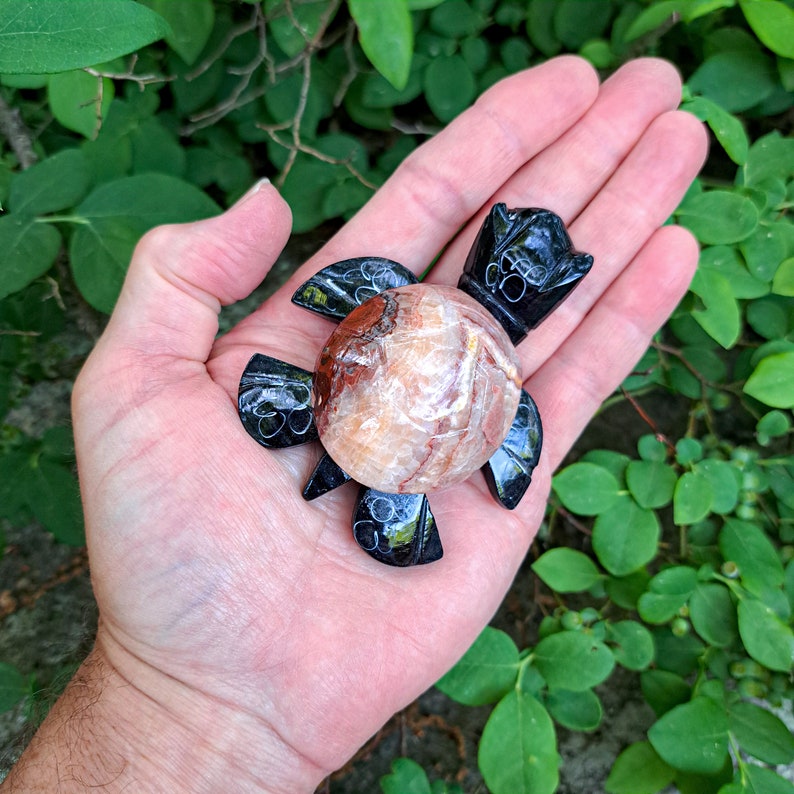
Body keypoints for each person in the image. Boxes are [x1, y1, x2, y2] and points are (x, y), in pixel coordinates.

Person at [2, 56, 707, 792]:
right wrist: (177, 701)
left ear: (555, 294)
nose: (512, 284)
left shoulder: (489, 378)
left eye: (528, 283)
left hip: (401, 467)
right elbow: (343, 310)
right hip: (343, 415)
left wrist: (181, 712)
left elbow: (508, 452)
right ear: (488, 244)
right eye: (509, 268)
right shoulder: (400, 302)